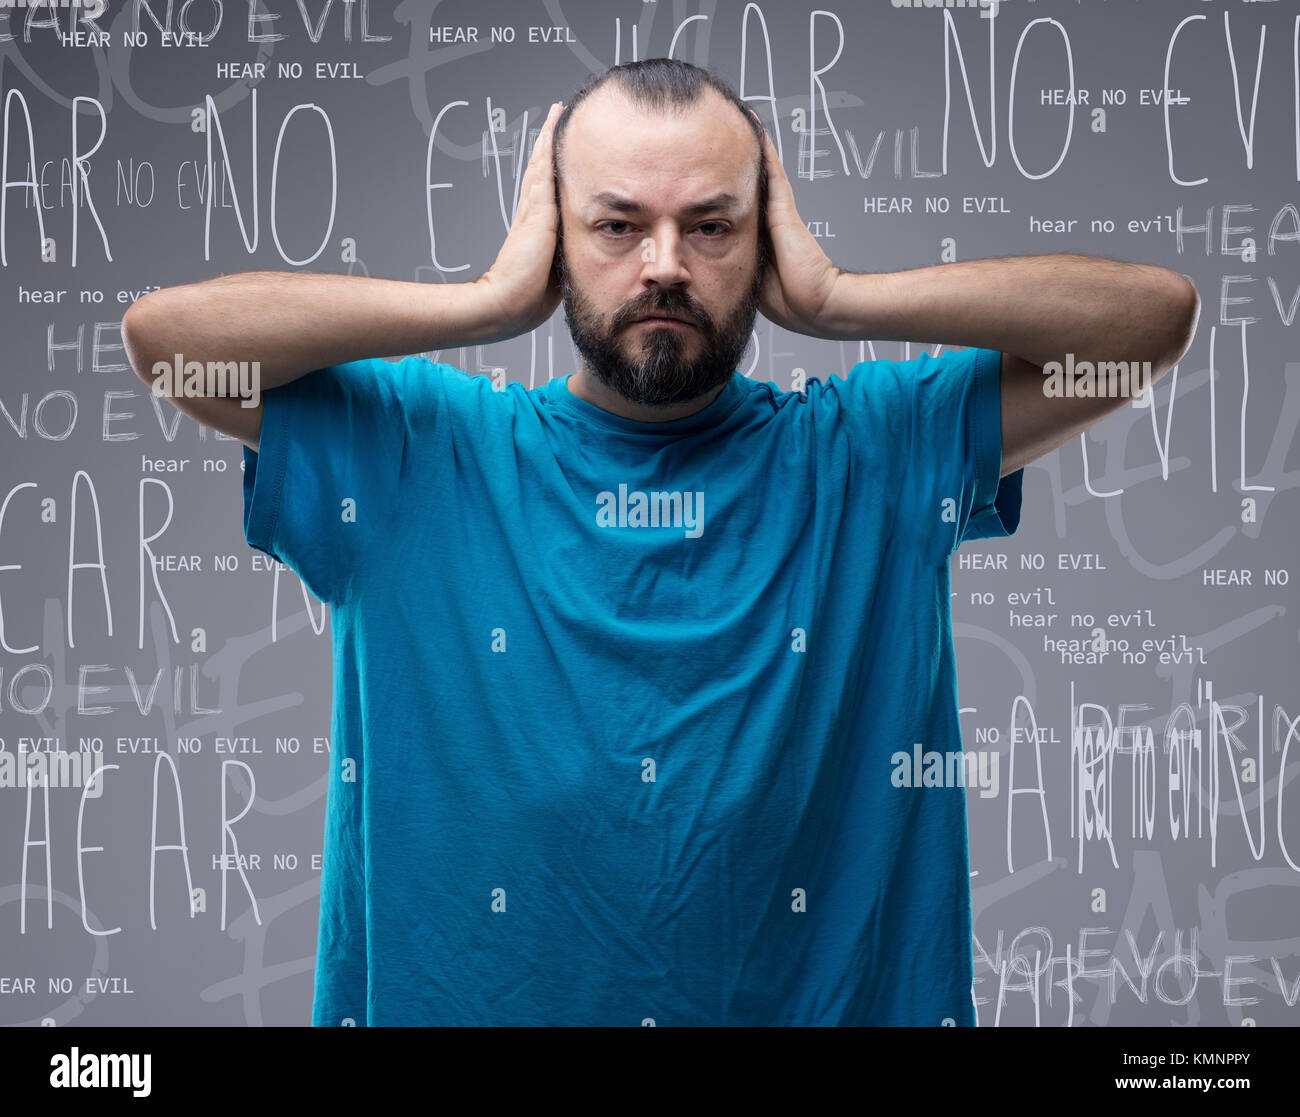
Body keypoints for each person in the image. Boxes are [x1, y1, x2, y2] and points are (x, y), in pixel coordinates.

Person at [121, 59, 1199, 1026]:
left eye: (712, 226)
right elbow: (169, 345)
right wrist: (484, 303)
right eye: (618, 225)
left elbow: (1149, 323)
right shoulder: (417, 453)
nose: (665, 265)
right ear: (554, 236)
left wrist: (837, 298)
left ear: (764, 236)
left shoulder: (875, 454)